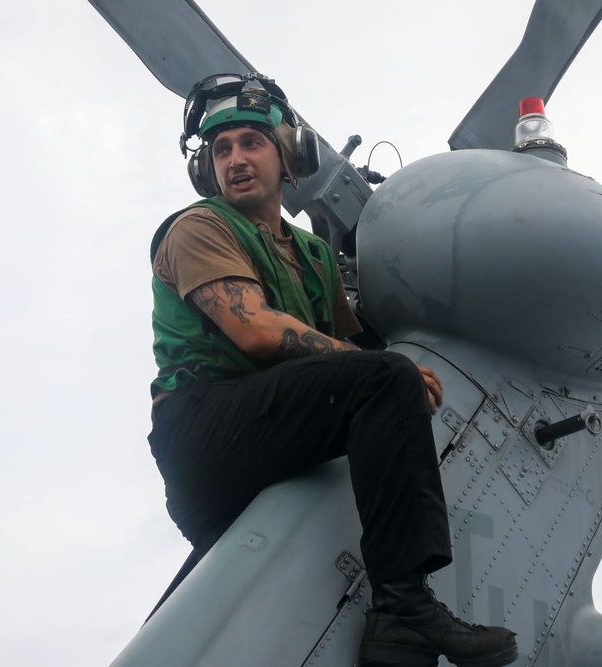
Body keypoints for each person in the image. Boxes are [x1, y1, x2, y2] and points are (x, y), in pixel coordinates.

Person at [147, 72, 517, 667]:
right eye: (221, 150)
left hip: (269, 426)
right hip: (203, 429)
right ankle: (403, 608)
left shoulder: (314, 254)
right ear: (206, 169)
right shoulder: (200, 227)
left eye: (251, 142)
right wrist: (390, 372)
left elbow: (352, 345)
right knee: (384, 379)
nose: (235, 160)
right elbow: (256, 330)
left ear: (288, 155)